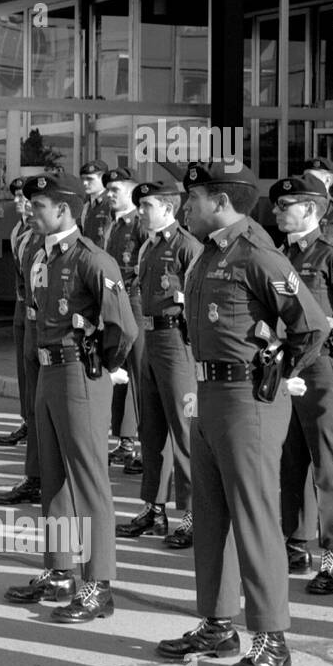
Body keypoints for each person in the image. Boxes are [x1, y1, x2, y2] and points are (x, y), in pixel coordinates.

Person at [155, 163, 327, 666]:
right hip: (209, 396)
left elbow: (311, 325)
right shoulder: (210, 253)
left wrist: (279, 372)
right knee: (210, 517)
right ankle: (217, 624)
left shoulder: (257, 254)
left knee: (253, 519)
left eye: (195, 198)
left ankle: (272, 641)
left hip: (246, 401)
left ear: (222, 203)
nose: (187, 207)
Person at [4, 173, 136, 621]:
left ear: (62, 209)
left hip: (79, 372)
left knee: (88, 480)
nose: (29, 211)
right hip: (48, 370)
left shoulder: (91, 260)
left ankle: (98, 583)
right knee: (53, 475)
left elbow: (123, 326)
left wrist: (104, 365)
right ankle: (60, 570)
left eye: (38, 205)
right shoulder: (41, 254)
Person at [270, 174, 333, 594]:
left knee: (331, 464)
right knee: (290, 459)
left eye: (284, 205)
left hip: (325, 369)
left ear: (309, 209)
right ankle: (295, 541)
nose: (276, 212)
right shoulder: (276, 255)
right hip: (288, 368)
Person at [116, 179, 201, 548]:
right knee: (151, 429)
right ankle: (154, 508)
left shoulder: (186, 246)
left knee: (183, 429)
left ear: (168, 207)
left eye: (147, 205)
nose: (141, 212)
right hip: (150, 337)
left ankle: (194, 513)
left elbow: (197, 299)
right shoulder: (149, 245)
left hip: (177, 341)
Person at [0, 198, 46, 509]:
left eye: (35, 204)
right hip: (31, 328)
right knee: (36, 411)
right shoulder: (27, 238)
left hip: (59, 345)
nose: (26, 208)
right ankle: (36, 478)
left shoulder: (78, 253)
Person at [103, 168, 144, 471]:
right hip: (116, 304)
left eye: (115, 189)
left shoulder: (140, 225)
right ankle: (125, 440)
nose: (109, 195)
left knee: (140, 376)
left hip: (135, 305)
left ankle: (143, 443)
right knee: (119, 372)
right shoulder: (114, 226)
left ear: (130, 191)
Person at [0, 177, 33, 447]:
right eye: (17, 197)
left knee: (35, 367)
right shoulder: (17, 230)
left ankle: (37, 421)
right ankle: (27, 420)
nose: (18, 201)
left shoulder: (40, 231)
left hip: (37, 307)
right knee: (22, 367)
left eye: (23, 197)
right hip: (21, 305)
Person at [80, 159, 112, 247]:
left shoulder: (111, 203)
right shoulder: (86, 205)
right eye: (83, 179)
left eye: (90, 179)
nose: (85, 183)